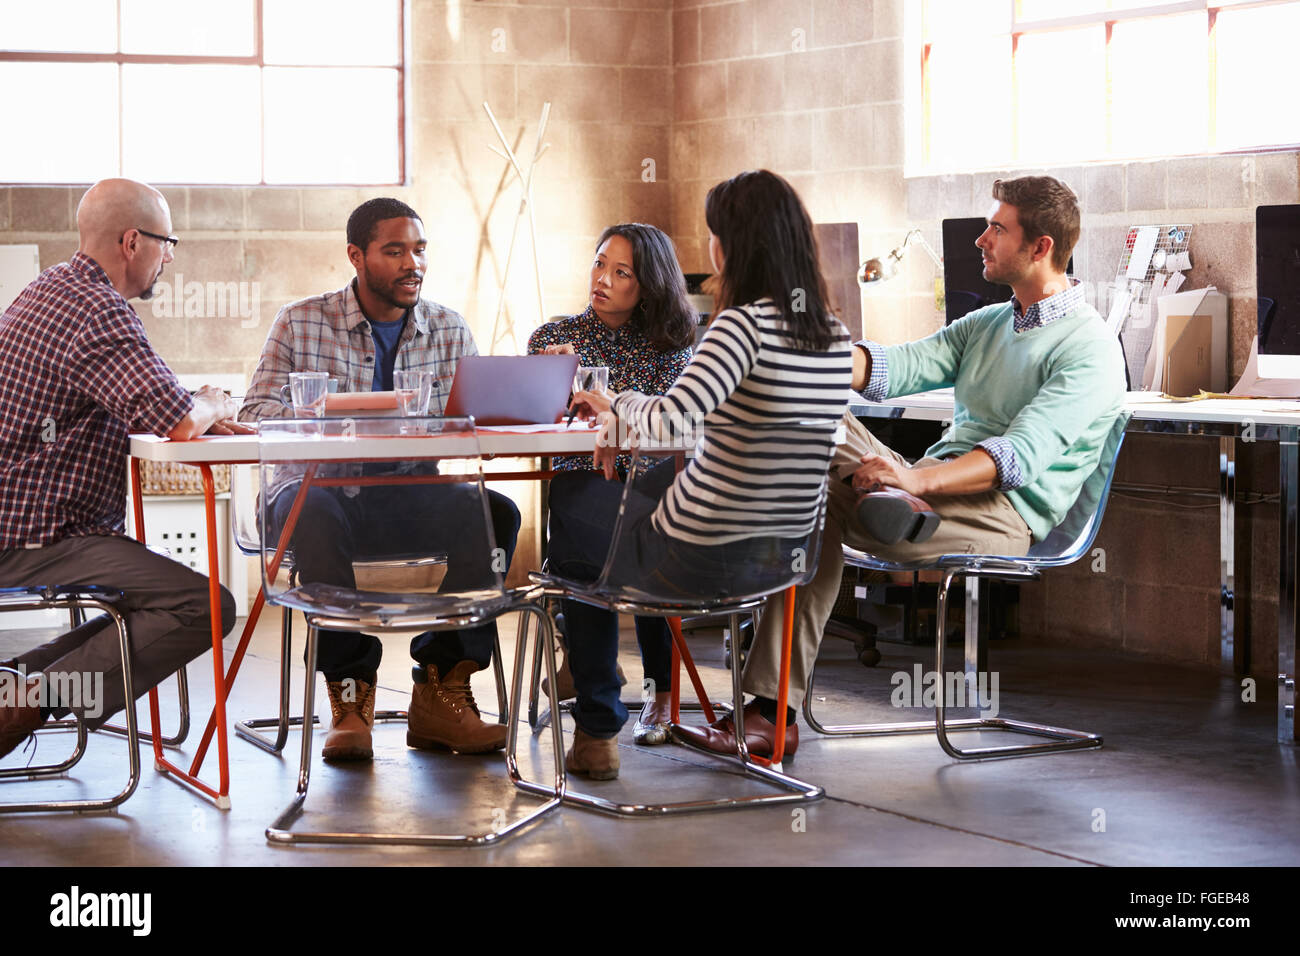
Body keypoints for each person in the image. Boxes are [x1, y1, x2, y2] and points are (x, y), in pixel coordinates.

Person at [676, 175, 1127, 758]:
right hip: (928, 489)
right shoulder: (990, 322)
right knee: (816, 430)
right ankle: (770, 715)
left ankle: (769, 714)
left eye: (997, 227)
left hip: (1003, 514)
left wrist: (913, 479)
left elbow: (1019, 457)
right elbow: (902, 366)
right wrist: (805, 353)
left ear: (1041, 247)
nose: (981, 240)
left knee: (811, 486)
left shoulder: (1088, 346)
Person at [553, 170, 853, 779]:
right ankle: (644, 703)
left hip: (693, 554)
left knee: (572, 538)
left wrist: (616, 405)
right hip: (778, 562)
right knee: (618, 510)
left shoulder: (739, 327)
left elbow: (669, 421)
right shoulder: (835, 338)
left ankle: (597, 729)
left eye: (715, 234)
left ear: (736, 245)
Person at [239, 198, 521, 762]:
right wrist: (333, 415)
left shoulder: (448, 328)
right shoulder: (300, 321)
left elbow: (470, 421)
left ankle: (444, 685)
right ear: (356, 256)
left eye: (418, 250)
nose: (411, 263)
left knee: (497, 513)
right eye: (394, 251)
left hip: (408, 493)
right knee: (314, 514)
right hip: (315, 494)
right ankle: (348, 695)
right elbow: (253, 414)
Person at [0, 178, 246, 760]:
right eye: (168, 242)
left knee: (155, 600)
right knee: (202, 605)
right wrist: (213, 403)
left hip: (33, 525)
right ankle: (22, 706)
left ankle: (16, 689)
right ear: (133, 242)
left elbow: (146, 397)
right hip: (31, 537)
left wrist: (193, 407)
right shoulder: (98, 311)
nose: (170, 256)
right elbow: (180, 421)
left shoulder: (51, 290)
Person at [527, 223, 695, 746]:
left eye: (621, 272)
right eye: (599, 263)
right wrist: (546, 385)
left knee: (638, 519)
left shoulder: (672, 348)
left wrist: (615, 404)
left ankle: (647, 699)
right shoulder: (553, 340)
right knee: (583, 514)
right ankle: (598, 709)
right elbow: (533, 427)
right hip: (583, 485)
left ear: (649, 284)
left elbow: (678, 428)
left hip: (652, 487)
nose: (602, 279)